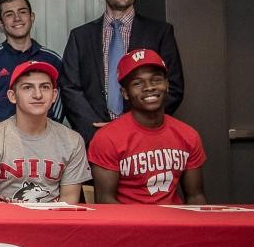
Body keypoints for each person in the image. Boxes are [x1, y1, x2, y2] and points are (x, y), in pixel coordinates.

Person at [61, 0, 185, 144]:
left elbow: (173, 86)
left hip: (145, 137)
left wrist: (134, 124)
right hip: (95, 138)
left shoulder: (160, 32)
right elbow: (70, 87)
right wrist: (94, 128)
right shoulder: (80, 36)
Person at [87, 49, 205, 204]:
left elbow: (195, 197)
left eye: (156, 80)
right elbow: (105, 200)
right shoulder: (107, 138)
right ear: (125, 93)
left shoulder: (188, 135)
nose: (149, 87)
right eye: (137, 83)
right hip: (130, 225)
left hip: (175, 223)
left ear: (167, 85)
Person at [0, 61, 91, 203]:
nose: (38, 95)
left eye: (45, 87)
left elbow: (69, 200)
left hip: (53, 222)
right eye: (27, 87)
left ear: (54, 95)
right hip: (5, 222)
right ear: (12, 96)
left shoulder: (73, 141)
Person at [0, 0, 64, 128]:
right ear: (0, 24)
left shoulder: (52, 60)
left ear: (32, 17)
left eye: (22, 12)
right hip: (2, 140)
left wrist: (52, 128)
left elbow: (60, 100)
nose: (17, 18)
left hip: (44, 137)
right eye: (9, 14)